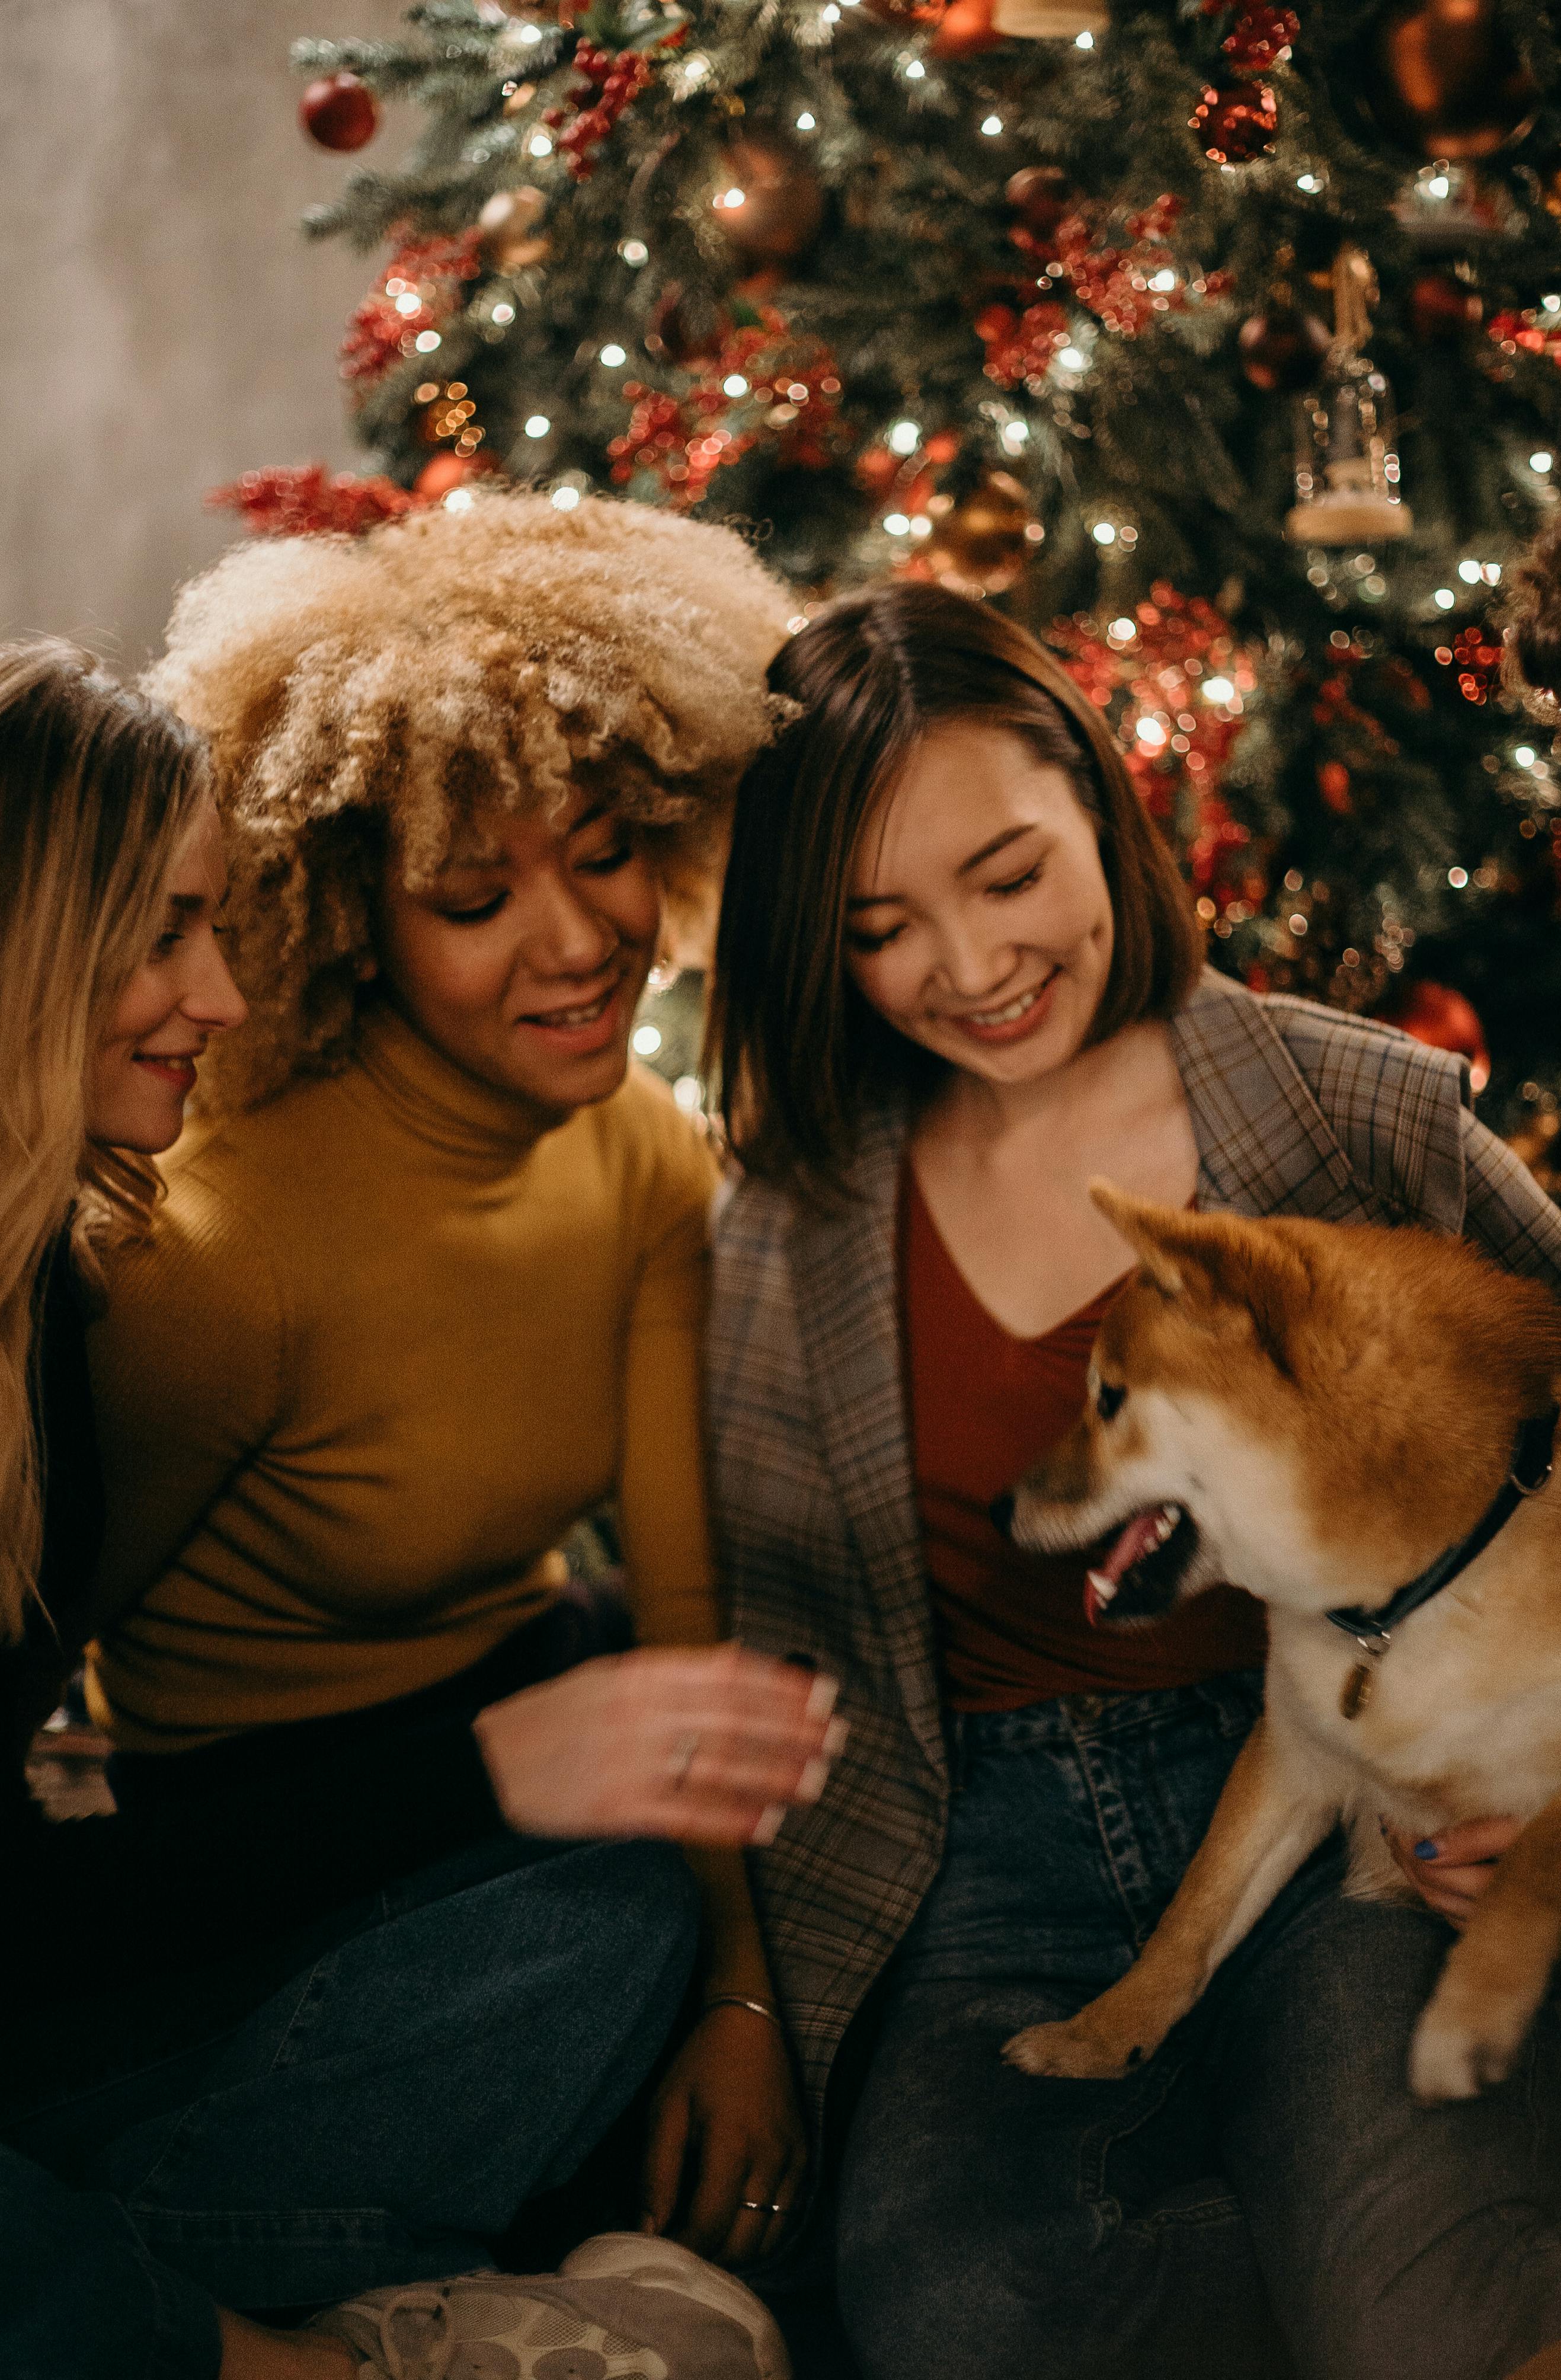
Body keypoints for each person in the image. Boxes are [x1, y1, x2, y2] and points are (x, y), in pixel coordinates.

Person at [704, 580, 1561, 2380]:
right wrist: (745, 2001)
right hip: (980, 1870)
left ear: (1100, 803)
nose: (968, 963)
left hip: (1363, 1833)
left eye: (1008, 873)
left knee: (1428, 2313)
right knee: (966, 2325)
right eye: (880, 926)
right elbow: (761, 1654)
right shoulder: (787, 1228)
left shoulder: (1351, 1116)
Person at [0, 634, 817, 2380]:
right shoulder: (197, 1255)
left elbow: (679, 1607)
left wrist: (741, 1997)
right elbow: (44, 1829)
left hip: (228, 1858)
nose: (213, 996)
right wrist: (494, 1776)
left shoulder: (40, 1280)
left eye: (606, 854)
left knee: (631, 1905)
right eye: (159, 934)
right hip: (190, 1847)